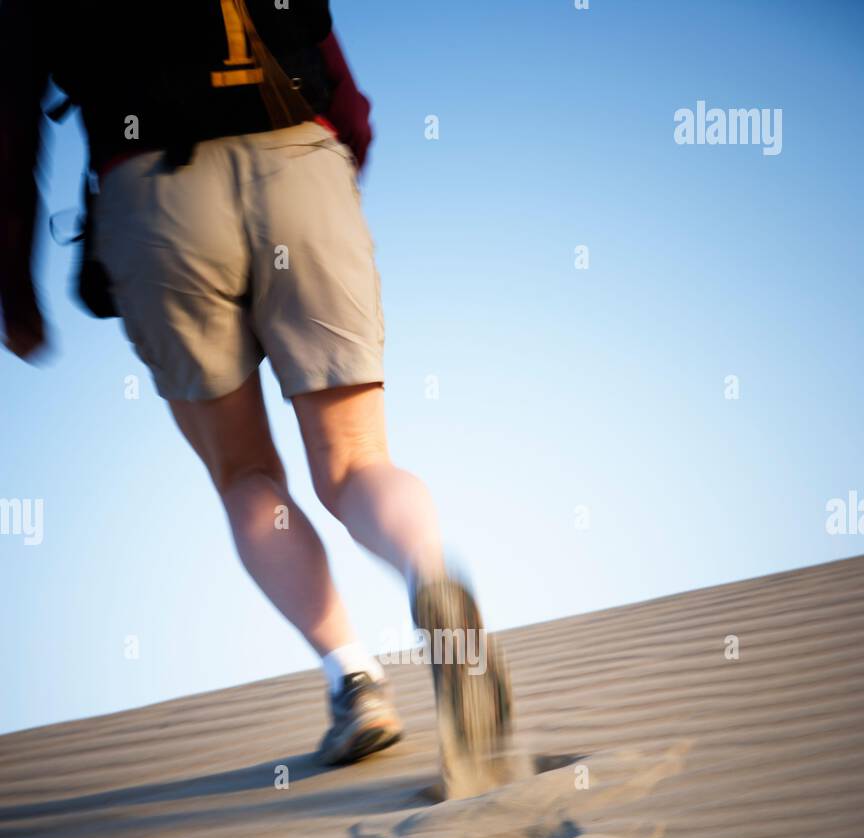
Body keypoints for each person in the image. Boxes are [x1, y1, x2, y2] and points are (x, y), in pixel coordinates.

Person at [0, 0, 509, 772]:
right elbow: (336, 75)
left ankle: (356, 681)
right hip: (300, 159)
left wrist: (14, 283)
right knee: (356, 463)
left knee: (246, 474)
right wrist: (332, 172)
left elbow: (11, 123)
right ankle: (430, 574)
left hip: (155, 193)